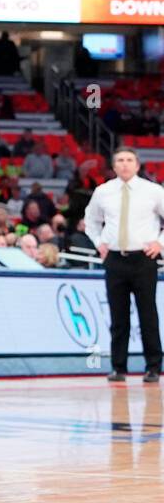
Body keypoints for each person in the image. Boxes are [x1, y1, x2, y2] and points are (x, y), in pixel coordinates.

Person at [85, 149, 164, 382]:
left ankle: (153, 367)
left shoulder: (153, 191)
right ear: (114, 166)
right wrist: (99, 242)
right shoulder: (103, 192)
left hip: (144, 258)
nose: (125, 164)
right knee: (118, 316)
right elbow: (91, 220)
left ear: (138, 165)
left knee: (147, 314)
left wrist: (159, 243)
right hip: (115, 259)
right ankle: (118, 367)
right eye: (120, 160)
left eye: (130, 160)